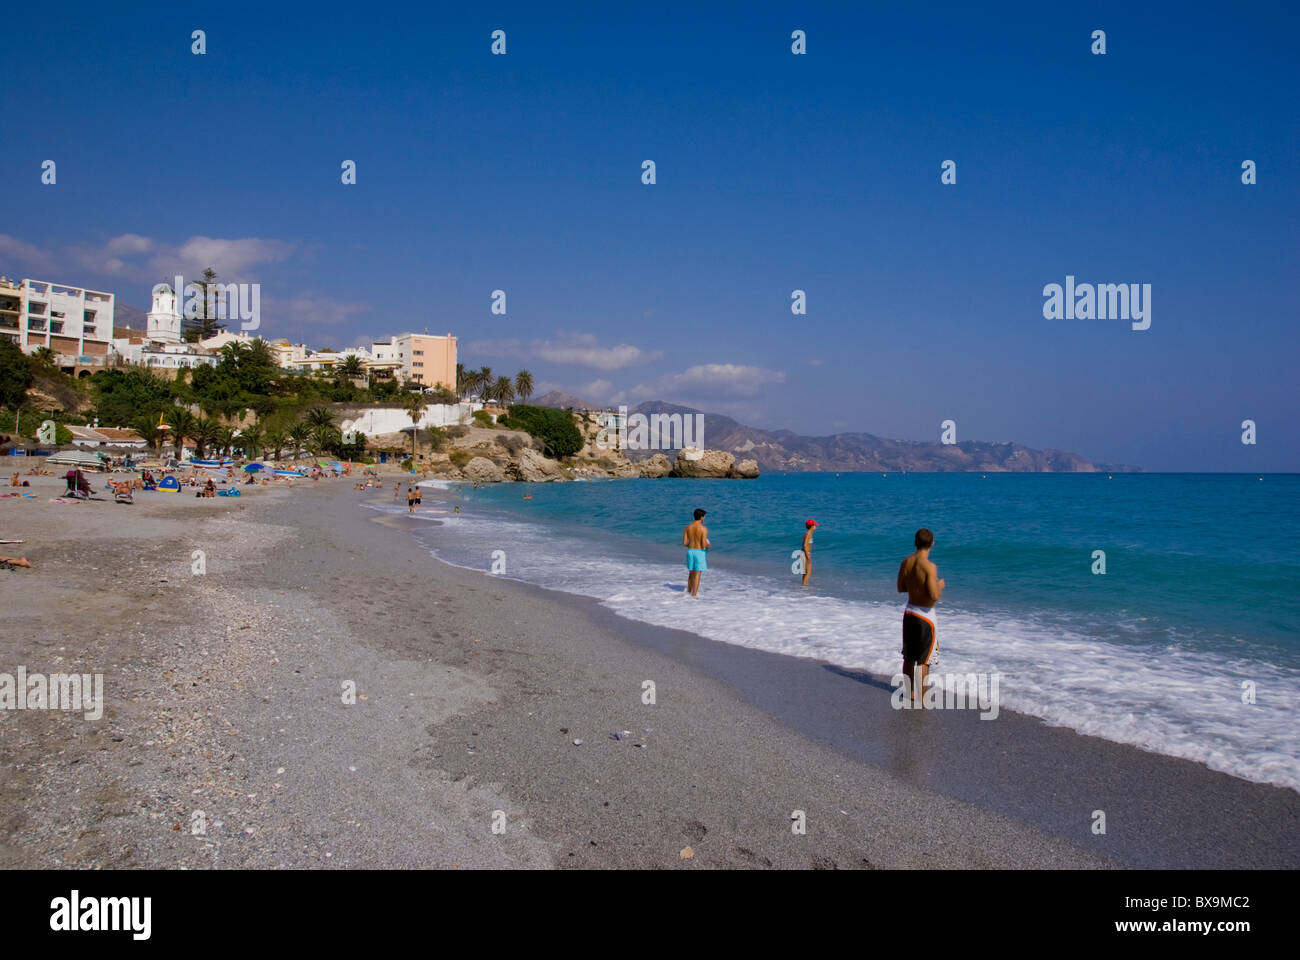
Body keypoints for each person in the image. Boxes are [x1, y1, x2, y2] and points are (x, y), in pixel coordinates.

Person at [897, 528, 946, 707]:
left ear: (915, 542)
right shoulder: (929, 566)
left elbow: (901, 587)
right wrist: (940, 585)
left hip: (909, 612)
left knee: (909, 657)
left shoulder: (906, 562)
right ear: (932, 543)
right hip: (925, 616)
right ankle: (922, 697)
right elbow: (934, 595)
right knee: (924, 660)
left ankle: (909, 692)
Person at [682, 508, 710, 597]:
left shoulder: (687, 527)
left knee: (691, 572)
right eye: (704, 516)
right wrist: (708, 545)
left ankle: (689, 591)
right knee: (697, 574)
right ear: (701, 517)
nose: (704, 518)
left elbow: (684, 543)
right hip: (699, 552)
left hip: (690, 551)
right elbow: (703, 544)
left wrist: (691, 546)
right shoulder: (703, 528)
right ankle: (694, 596)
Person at [801, 519, 817, 586]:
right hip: (805, 553)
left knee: (805, 572)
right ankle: (804, 586)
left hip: (804, 553)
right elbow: (804, 545)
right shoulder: (808, 534)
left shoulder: (809, 534)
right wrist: (807, 556)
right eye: (815, 525)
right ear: (812, 526)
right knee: (808, 572)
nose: (816, 526)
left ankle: (803, 585)